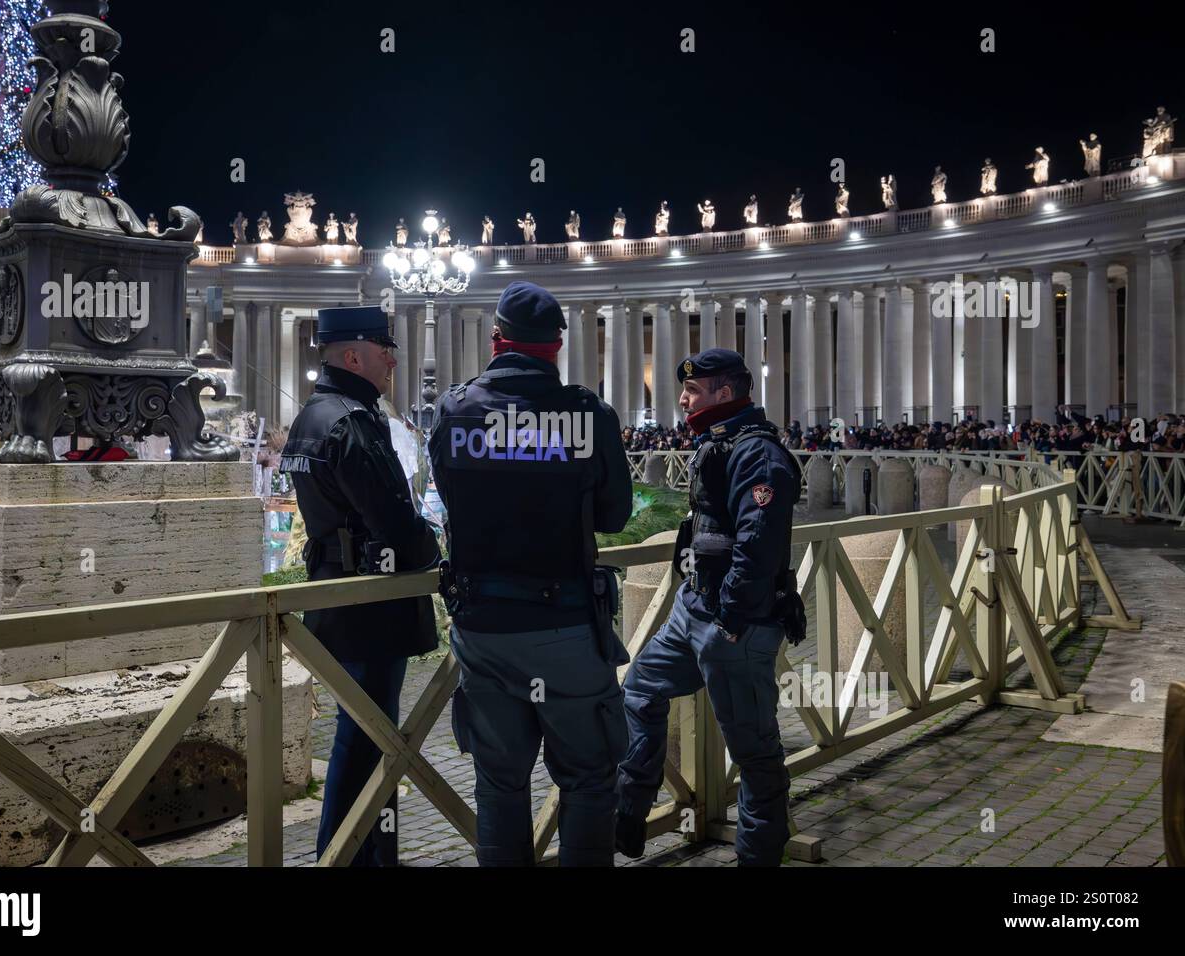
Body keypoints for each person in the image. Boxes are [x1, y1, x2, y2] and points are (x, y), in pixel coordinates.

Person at [429, 280, 633, 866]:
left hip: (484, 624)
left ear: (497, 341)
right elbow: (616, 515)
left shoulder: (455, 408)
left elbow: (450, 495)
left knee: (499, 781)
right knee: (590, 779)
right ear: (558, 346)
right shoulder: (588, 415)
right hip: (566, 623)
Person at [615, 348, 802, 867]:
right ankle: (629, 812)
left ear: (726, 392)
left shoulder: (756, 452)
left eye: (694, 390)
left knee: (755, 752)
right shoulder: (716, 444)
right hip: (692, 609)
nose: (682, 397)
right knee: (639, 689)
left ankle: (757, 857)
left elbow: (758, 545)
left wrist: (734, 620)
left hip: (733, 623)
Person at [279, 306, 441, 866]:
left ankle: (361, 855)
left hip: (333, 593)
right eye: (383, 349)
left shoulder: (312, 416)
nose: (393, 358)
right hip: (370, 600)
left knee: (364, 736)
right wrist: (435, 551)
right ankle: (351, 858)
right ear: (353, 355)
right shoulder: (353, 421)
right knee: (371, 738)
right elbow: (394, 522)